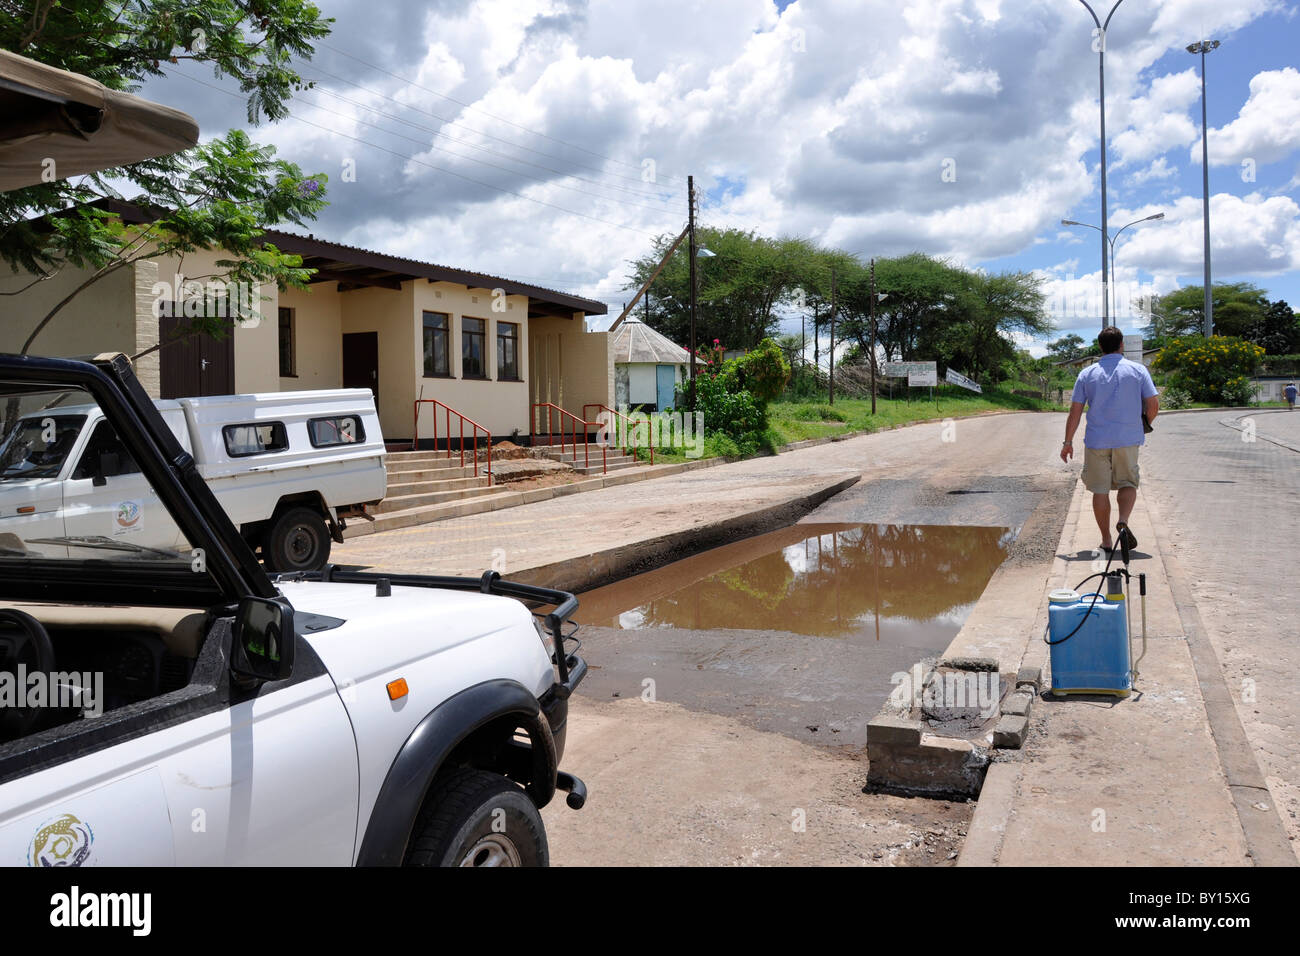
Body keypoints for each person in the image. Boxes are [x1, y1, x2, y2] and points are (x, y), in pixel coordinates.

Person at [1060, 326, 1159, 555]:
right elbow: (1153, 404)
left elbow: (1075, 411)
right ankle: (1122, 521)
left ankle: (1106, 540)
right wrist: (1144, 423)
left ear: (1100, 347)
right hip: (1128, 438)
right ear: (1121, 345)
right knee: (1128, 483)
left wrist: (1068, 442)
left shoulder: (1087, 374)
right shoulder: (1138, 370)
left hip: (1097, 440)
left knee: (1100, 490)